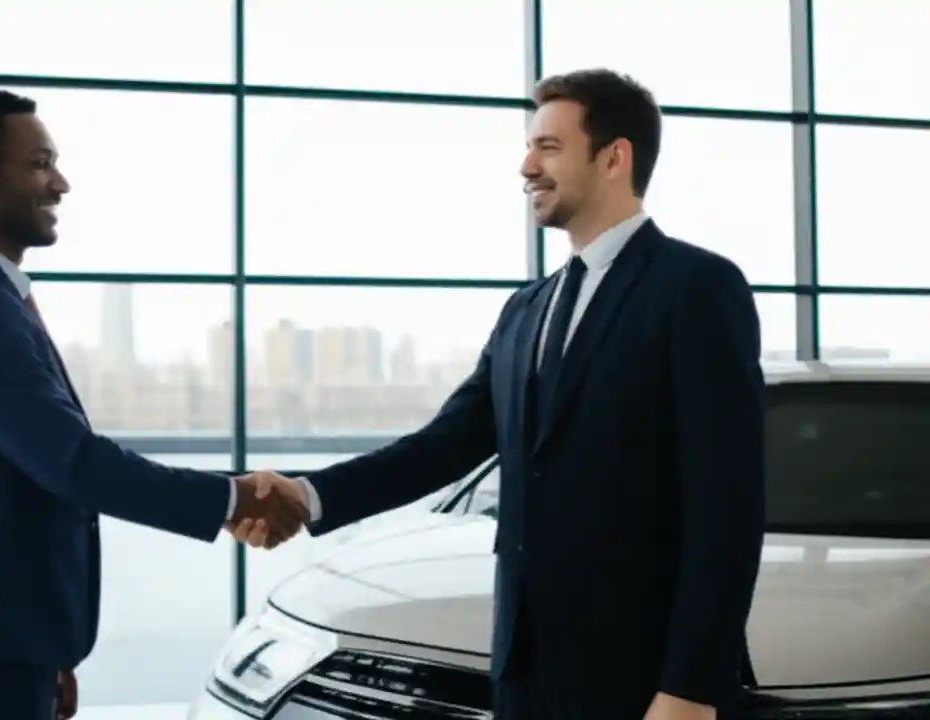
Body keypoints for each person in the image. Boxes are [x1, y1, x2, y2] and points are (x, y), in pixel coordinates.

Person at [235, 69, 765, 719]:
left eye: (547, 146)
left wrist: (691, 687)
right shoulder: (526, 309)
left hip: (645, 677)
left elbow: (727, 510)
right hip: (524, 673)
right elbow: (442, 447)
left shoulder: (697, 288)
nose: (526, 166)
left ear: (613, 157)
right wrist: (310, 495)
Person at [0, 88, 307, 720]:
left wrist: (50, 648)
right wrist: (231, 499)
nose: (60, 183)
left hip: (0, 636)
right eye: (39, 164)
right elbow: (73, 464)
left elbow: (24, 478)